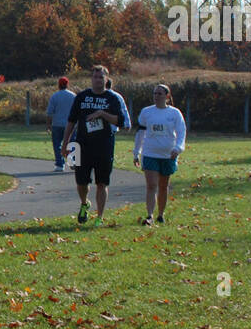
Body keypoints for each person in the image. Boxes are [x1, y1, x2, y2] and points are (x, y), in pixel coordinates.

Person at [60, 65, 128, 226]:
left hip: (104, 145)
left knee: (102, 182)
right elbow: (71, 121)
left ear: (106, 79)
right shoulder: (82, 97)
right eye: (95, 77)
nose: (97, 80)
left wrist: (102, 114)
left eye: (101, 77)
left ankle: (99, 217)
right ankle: (84, 204)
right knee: (81, 182)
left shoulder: (112, 98)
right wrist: (65, 143)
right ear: (91, 78)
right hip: (82, 145)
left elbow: (120, 121)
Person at [133, 83, 186, 225]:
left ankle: (160, 214)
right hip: (150, 153)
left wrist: (178, 148)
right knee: (151, 185)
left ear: (167, 96)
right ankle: (149, 215)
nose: (156, 96)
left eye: (160, 94)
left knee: (163, 186)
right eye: (154, 94)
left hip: (168, 155)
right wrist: (136, 152)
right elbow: (140, 133)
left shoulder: (174, 113)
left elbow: (181, 133)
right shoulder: (146, 112)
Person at [45, 76, 75, 172]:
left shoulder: (55, 96)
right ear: (67, 84)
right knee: (72, 143)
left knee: (57, 144)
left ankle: (59, 164)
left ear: (59, 85)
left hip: (57, 124)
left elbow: (49, 112)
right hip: (70, 124)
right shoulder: (73, 96)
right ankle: (72, 162)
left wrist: (48, 125)